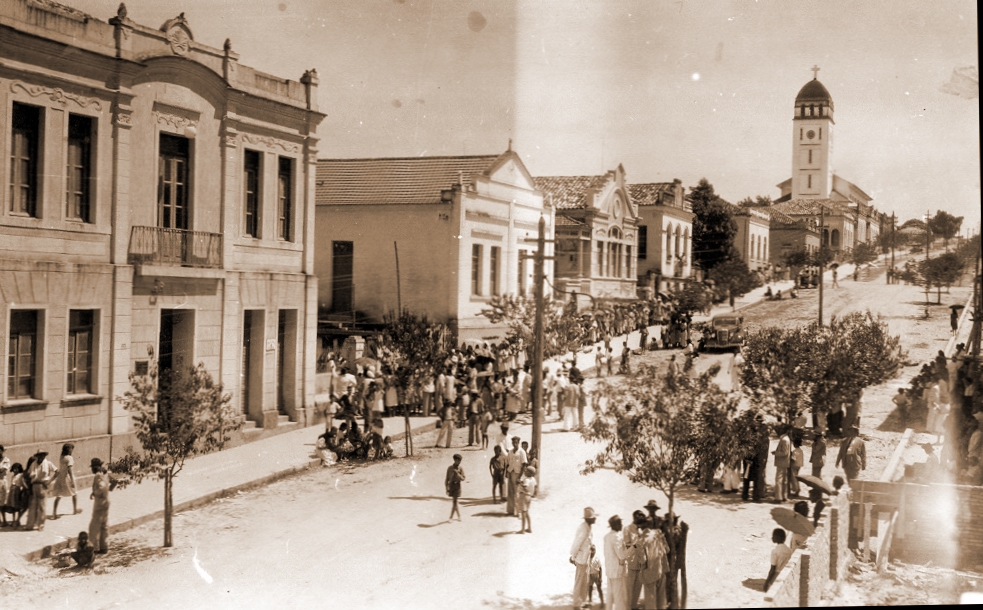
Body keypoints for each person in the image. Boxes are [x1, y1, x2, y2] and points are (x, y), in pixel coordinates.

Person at [570, 507, 597, 610]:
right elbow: (577, 544)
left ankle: (582, 601)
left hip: (587, 558)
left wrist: (592, 547)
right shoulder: (583, 529)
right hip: (581, 559)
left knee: (585, 582)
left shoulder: (588, 527)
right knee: (579, 581)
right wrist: (573, 557)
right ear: (589, 519)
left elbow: (587, 542)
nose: (595, 519)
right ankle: (576, 604)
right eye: (593, 517)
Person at [641, 515, 670, 610]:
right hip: (661, 569)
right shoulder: (659, 534)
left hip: (649, 573)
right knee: (661, 599)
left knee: (650, 601)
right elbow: (667, 549)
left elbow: (642, 559)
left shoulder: (641, 539)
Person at [623, 510, 648, 610]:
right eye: (639, 517)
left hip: (641, 563)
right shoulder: (627, 529)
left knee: (638, 587)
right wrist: (636, 544)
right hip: (631, 563)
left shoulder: (642, 530)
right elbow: (627, 545)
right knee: (629, 588)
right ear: (634, 518)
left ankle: (633, 606)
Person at [27, 450, 56, 531]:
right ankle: (31, 524)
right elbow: (30, 474)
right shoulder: (33, 464)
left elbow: (57, 471)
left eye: (42, 455)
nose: (41, 457)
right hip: (34, 485)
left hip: (43, 485)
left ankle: (41, 525)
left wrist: (50, 481)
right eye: (39, 455)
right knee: (33, 506)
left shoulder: (48, 463)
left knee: (42, 506)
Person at [603, 515, 628, 610]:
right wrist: (633, 548)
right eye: (620, 523)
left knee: (610, 596)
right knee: (619, 597)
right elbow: (622, 555)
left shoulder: (607, 537)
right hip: (618, 571)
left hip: (610, 571)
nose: (621, 525)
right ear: (616, 525)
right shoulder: (616, 537)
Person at [88, 458, 110, 554]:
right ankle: (104, 547)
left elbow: (101, 487)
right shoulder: (103, 474)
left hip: (100, 505)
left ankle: (92, 548)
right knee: (103, 526)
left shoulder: (98, 476)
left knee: (94, 527)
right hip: (105, 503)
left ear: (94, 468)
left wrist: (95, 493)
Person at [505, 437, 528, 516]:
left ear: (518, 443)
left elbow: (524, 464)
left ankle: (518, 512)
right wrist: (506, 472)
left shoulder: (522, 452)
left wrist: (520, 477)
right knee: (510, 492)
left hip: (517, 473)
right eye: (513, 443)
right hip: (510, 472)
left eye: (516, 443)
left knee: (517, 493)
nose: (515, 444)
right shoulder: (510, 452)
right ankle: (510, 510)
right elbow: (508, 463)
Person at [772, 427, 791, 503]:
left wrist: (775, 453)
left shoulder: (784, 440)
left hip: (781, 462)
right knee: (784, 480)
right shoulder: (786, 438)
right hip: (785, 462)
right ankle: (784, 496)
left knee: (779, 480)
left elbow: (785, 453)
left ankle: (778, 497)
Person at [445, 453, 465, 521]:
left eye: (460, 461)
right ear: (455, 460)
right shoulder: (450, 468)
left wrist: (458, 475)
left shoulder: (460, 468)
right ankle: (459, 516)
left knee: (454, 501)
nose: (459, 462)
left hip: (457, 486)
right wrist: (447, 489)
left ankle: (451, 517)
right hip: (451, 486)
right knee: (455, 502)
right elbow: (446, 479)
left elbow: (463, 478)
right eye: (458, 460)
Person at [517, 465, 537, 534]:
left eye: (526, 471)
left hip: (524, 496)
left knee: (523, 513)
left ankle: (522, 530)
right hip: (529, 497)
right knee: (527, 512)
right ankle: (529, 528)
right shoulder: (533, 479)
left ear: (530, 473)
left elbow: (525, 487)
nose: (525, 472)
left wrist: (520, 483)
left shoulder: (526, 480)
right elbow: (535, 487)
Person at [587, 544, 604, 609]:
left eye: (594, 550)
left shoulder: (597, 558)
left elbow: (600, 568)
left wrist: (600, 577)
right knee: (590, 588)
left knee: (599, 588)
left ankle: (602, 602)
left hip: (596, 575)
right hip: (590, 575)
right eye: (591, 550)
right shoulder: (587, 558)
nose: (592, 552)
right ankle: (590, 601)